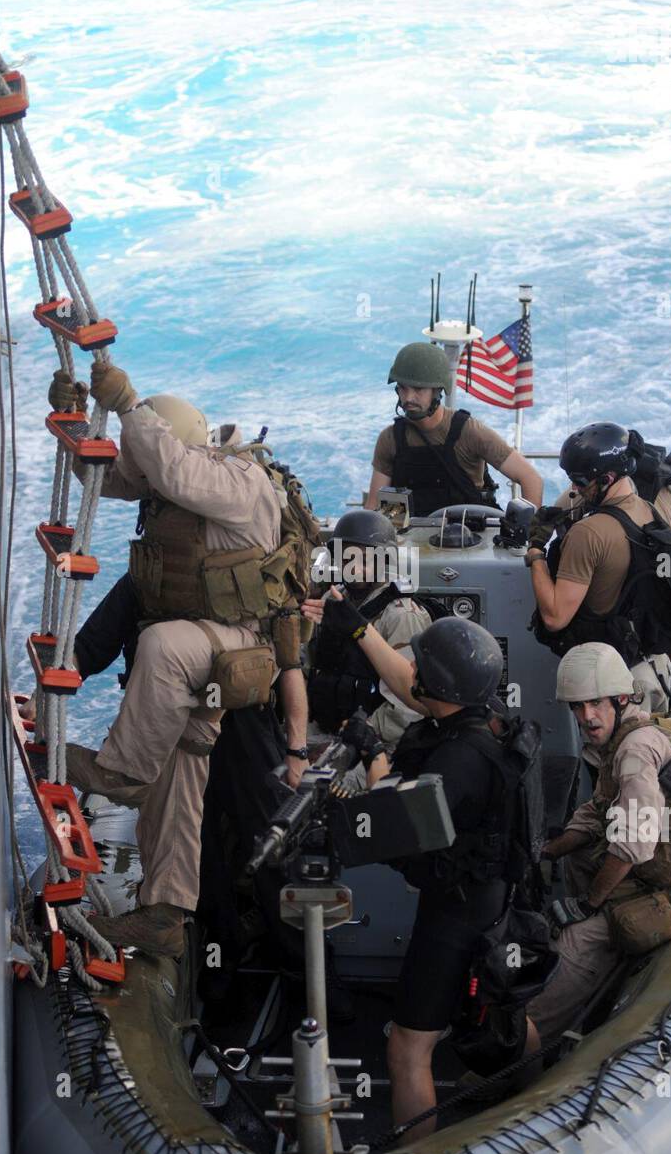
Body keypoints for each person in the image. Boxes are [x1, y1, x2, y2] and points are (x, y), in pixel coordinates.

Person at [61, 360, 299, 959]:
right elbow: (108, 477)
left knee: (162, 646)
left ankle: (122, 774)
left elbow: (173, 469)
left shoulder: (239, 480)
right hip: (202, 657)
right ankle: (165, 913)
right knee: (178, 785)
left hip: (238, 647)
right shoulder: (179, 472)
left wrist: (127, 404)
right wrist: (66, 423)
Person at [302, 588, 518, 1138]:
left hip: (456, 914)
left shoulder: (456, 761)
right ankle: (545, 1083)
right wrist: (354, 627)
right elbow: (408, 683)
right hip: (490, 897)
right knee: (497, 1013)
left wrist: (371, 753)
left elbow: (392, 832)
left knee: (407, 1047)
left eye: (421, 662)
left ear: (440, 686)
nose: (411, 668)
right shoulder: (480, 716)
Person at [524, 642, 671, 1054]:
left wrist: (589, 907)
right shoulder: (637, 731)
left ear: (620, 699)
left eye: (595, 703)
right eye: (577, 707)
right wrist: (551, 850)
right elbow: (599, 811)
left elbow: (634, 844)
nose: (587, 717)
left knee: (578, 940)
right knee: (578, 861)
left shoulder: (635, 749)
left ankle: (525, 1050)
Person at [526, 421, 671, 712]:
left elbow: (555, 617)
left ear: (607, 478)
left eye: (579, 481)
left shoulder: (588, 534)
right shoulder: (647, 510)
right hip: (652, 671)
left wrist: (536, 552)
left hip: (609, 687)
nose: (574, 489)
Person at [307, 508, 431, 765]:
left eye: (366, 560)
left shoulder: (400, 615)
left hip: (379, 743)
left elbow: (410, 704)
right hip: (326, 729)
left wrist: (359, 735)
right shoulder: (333, 599)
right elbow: (311, 662)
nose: (355, 568)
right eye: (347, 559)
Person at [364, 342, 542, 515]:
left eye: (419, 389)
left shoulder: (469, 432)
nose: (408, 398)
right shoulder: (390, 439)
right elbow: (374, 507)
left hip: (470, 539)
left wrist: (529, 536)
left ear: (437, 391)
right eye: (403, 388)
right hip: (410, 540)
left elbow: (531, 479)